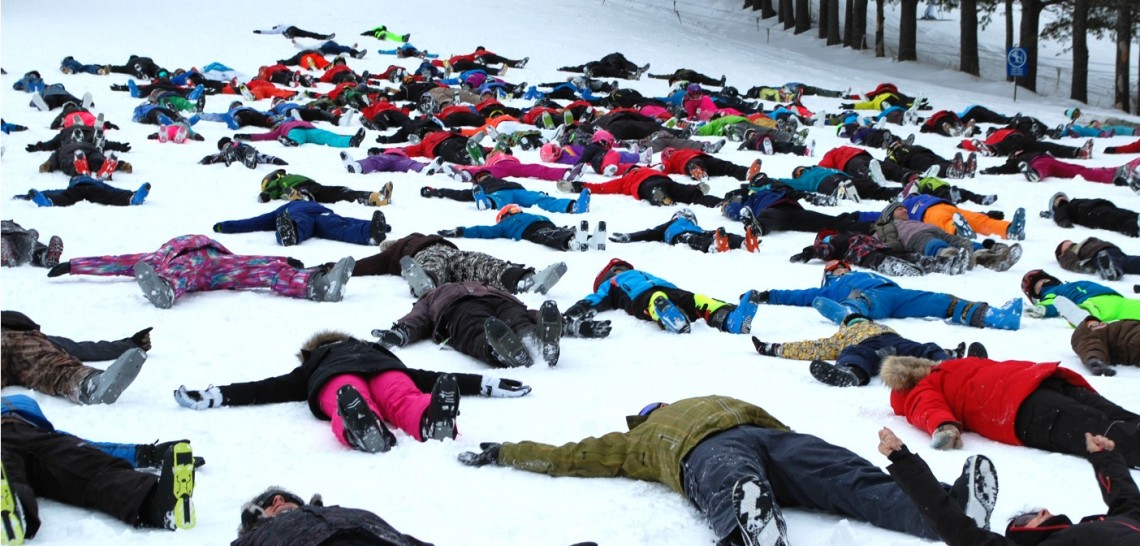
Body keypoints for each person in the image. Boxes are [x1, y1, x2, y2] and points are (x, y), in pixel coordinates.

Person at [456, 395, 993, 546]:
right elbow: (570, 456)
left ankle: (946, 513)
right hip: (706, 451)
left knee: (845, 474)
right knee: (732, 477)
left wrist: (799, 453)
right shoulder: (635, 439)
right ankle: (749, 527)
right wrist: (508, 450)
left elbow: (771, 421)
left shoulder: (709, 397)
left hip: (772, 440)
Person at [173, 330, 529, 453]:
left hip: (364, 374)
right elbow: (269, 388)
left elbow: (430, 375)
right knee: (382, 396)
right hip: (363, 374)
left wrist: (487, 383)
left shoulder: (332, 357)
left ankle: (427, 419)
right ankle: (367, 424)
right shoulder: (318, 362)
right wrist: (217, 394)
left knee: (386, 394)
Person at [883, 426, 1140, 546]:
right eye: (1027, 518)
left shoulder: (1124, 519)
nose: (1044, 511)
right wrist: (903, 461)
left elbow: (1127, 498)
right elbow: (954, 526)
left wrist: (1104, 457)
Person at [880, 354, 1140, 467]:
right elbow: (925, 406)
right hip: (1020, 409)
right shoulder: (917, 389)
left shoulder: (945, 369)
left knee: (1116, 415)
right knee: (1101, 430)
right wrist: (944, 427)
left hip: (1040, 382)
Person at [1, 395, 196, 545]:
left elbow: (96, 447)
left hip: (40, 436)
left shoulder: (40, 426)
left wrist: (148, 453)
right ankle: (10, 515)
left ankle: (158, 504)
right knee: (7, 474)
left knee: (91, 464)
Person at [45, 234, 356, 309]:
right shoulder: (156, 257)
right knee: (183, 272)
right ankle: (164, 290)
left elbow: (251, 259)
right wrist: (74, 265)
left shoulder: (207, 248)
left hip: (220, 267)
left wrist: (285, 260)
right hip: (185, 271)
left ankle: (316, 287)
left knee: (265, 270)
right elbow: (113, 262)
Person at [762, 260, 1023, 330]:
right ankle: (849, 313)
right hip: (871, 297)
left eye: (842, 265)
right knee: (863, 299)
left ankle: (994, 316)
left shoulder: (862, 273)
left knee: (941, 300)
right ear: (828, 275)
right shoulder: (829, 288)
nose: (841, 268)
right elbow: (795, 295)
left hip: (897, 296)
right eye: (834, 268)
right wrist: (767, 295)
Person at [373, 284, 585, 368]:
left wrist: (567, 325)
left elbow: (528, 314)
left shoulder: (486, 286)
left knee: (519, 320)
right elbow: (418, 317)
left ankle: (536, 341)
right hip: (459, 308)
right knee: (478, 328)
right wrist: (401, 331)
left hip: (501, 300)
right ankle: (499, 349)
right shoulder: (430, 298)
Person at [750, 313, 977, 387]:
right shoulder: (846, 335)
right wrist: (774, 348)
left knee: (923, 347)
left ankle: (949, 361)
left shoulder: (855, 333)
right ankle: (851, 373)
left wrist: (774, 348)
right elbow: (811, 347)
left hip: (887, 343)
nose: (857, 322)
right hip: (880, 346)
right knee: (853, 354)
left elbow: (813, 348)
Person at [561, 259, 762, 335]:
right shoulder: (609, 285)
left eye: (622, 267)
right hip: (639, 297)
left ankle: (730, 318)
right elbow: (592, 301)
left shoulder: (644, 273)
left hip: (670, 290)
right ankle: (669, 316)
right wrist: (572, 314)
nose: (620, 270)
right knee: (655, 298)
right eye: (615, 269)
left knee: (698, 299)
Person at [2, 310, 150, 405]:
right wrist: (130, 344)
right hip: (28, 346)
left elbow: (84, 349)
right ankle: (89, 384)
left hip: (26, 350)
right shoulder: (37, 340)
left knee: (52, 366)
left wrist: (131, 343)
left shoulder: (42, 340)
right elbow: (83, 349)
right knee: (53, 367)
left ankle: (90, 384)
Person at [352, 232, 568, 296]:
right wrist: (331, 267)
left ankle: (523, 280)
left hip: (454, 255)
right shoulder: (393, 254)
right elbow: (367, 264)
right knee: (432, 263)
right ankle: (424, 283)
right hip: (426, 255)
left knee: (482, 262)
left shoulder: (414, 237)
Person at [232, 487, 433, 546]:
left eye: (286, 499)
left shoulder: (341, 513)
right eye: (267, 503)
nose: (278, 500)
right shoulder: (253, 539)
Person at [437, 204, 606, 252]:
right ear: (504, 216)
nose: (516, 211)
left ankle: (590, 239)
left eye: (517, 209)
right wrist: (462, 231)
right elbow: (483, 230)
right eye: (512, 210)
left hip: (543, 224)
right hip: (530, 230)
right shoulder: (503, 226)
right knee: (548, 235)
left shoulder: (528, 214)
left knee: (557, 230)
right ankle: (573, 241)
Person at [213, 202, 391, 247]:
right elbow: (255, 222)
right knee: (301, 224)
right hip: (298, 217)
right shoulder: (285, 208)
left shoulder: (321, 206)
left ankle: (370, 234)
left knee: (340, 226)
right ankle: (288, 234)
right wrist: (227, 226)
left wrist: (376, 225)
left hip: (324, 216)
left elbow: (347, 219)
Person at [423, 170, 590, 214]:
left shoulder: (503, 179)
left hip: (518, 191)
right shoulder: (479, 188)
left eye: (486, 174)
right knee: (499, 199)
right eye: (480, 177)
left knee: (540, 198)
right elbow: (458, 194)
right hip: (499, 193)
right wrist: (437, 191)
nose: (484, 177)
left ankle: (574, 207)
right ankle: (487, 204)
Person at [607, 208, 761, 254]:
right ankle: (714, 245)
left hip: (693, 233)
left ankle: (744, 242)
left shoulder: (689, 225)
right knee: (692, 239)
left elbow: (648, 232)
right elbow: (648, 233)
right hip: (681, 236)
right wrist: (629, 236)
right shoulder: (669, 225)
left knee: (716, 233)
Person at [1053, 296, 1140, 376]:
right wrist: (1094, 360)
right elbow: (1091, 347)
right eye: (1094, 326)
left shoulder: (1111, 327)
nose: (1101, 325)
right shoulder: (1091, 337)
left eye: (1100, 322)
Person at [557, 167, 723, 208]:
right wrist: (694, 187)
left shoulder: (627, 179)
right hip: (665, 180)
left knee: (652, 190)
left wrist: (576, 186)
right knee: (686, 193)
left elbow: (601, 187)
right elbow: (678, 184)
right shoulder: (650, 169)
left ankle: (657, 196)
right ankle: (719, 202)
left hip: (645, 185)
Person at [982, 149, 1140, 189]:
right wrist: (989, 170)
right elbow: (1005, 168)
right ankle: (1035, 174)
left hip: (1051, 162)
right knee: (1078, 171)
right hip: (1040, 164)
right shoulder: (1018, 160)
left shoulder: (1031, 150)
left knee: (1078, 169)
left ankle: (1114, 171)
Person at [1020, 269, 1140, 322]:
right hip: (1093, 301)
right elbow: (1055, 302)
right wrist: (1043, 309)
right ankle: (1084, 317)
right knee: (1091, 309)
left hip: (1115, 298)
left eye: (1045, 280)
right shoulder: (1050, 293)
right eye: (1039, 286)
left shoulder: (1068, 285)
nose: (1045, 283)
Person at [257, 169, 392, 206]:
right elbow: (270, 191)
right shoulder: (277, 182)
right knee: (310, 191)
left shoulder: (286, 176)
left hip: (314, 187)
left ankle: (376, 197)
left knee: (341, 191)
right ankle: (301, 197)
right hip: (301, 187)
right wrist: (265, 194)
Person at [1041, 191, 1140, 238]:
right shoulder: (1063, 209)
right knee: (1117, 220)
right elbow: (1060, 215)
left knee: (1126, 213)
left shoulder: (1073, 202)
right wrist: (1064, 221)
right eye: (1058, 199)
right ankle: (1136, 228)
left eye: (1062, 197)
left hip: (1101, 207)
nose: (1061, 199)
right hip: (1092, 215)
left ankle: (1137, 218)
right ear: (1055, 205)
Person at [1055, 236, 1140, 281]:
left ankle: (1111, 269)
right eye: (1064, 243)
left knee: (1131, 262)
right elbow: (1070, 262)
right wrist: (1082, 267)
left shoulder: (1080, 244)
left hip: (1113, 251)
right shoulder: (1067, 253)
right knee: (1111, 262)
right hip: (1097, 254)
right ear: (1061, 252)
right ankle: (1110, 271)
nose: (1067, 241)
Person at [235, 120, 365, 148]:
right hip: (295, 132)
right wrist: (248, 137)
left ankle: (351, 141)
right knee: (295, 136)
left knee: (328, 136)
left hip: (311, 130)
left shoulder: (297, 120)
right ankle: (292, 142)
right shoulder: (280, 129)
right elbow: (264, 136)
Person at [199, 136, 288, 169]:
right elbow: (217, 156)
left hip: (244, 153)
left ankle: (249, 159)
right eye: (224, 147)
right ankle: (232, 158)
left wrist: (274, 159)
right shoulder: (224, 152)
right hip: (233, 157)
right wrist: (208, 158)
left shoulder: (242, 146)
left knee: (252, 154)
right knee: (229, 153)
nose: (227, 146)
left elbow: (261, 156)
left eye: (227, 144)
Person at [558, 52, 649, 80]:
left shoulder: (594, 64)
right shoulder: (606, 72)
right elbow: (618, 74)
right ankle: (636, 71)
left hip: (610, 59)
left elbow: (578, 68)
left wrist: (565, 68)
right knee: (621, 67)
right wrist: (631, 76)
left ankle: (637, 70)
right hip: (615, 64)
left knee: (624, 64)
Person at [253, 24, 334, 40]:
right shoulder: (279, 28)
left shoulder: (280, 27)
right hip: (293, 29)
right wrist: (260, 31)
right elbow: (269, 32)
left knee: (308, 34)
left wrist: (260, 31)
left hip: (291, 30)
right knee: (309, 34)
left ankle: (289, 36)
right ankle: (325, 37)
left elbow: (269, 31)